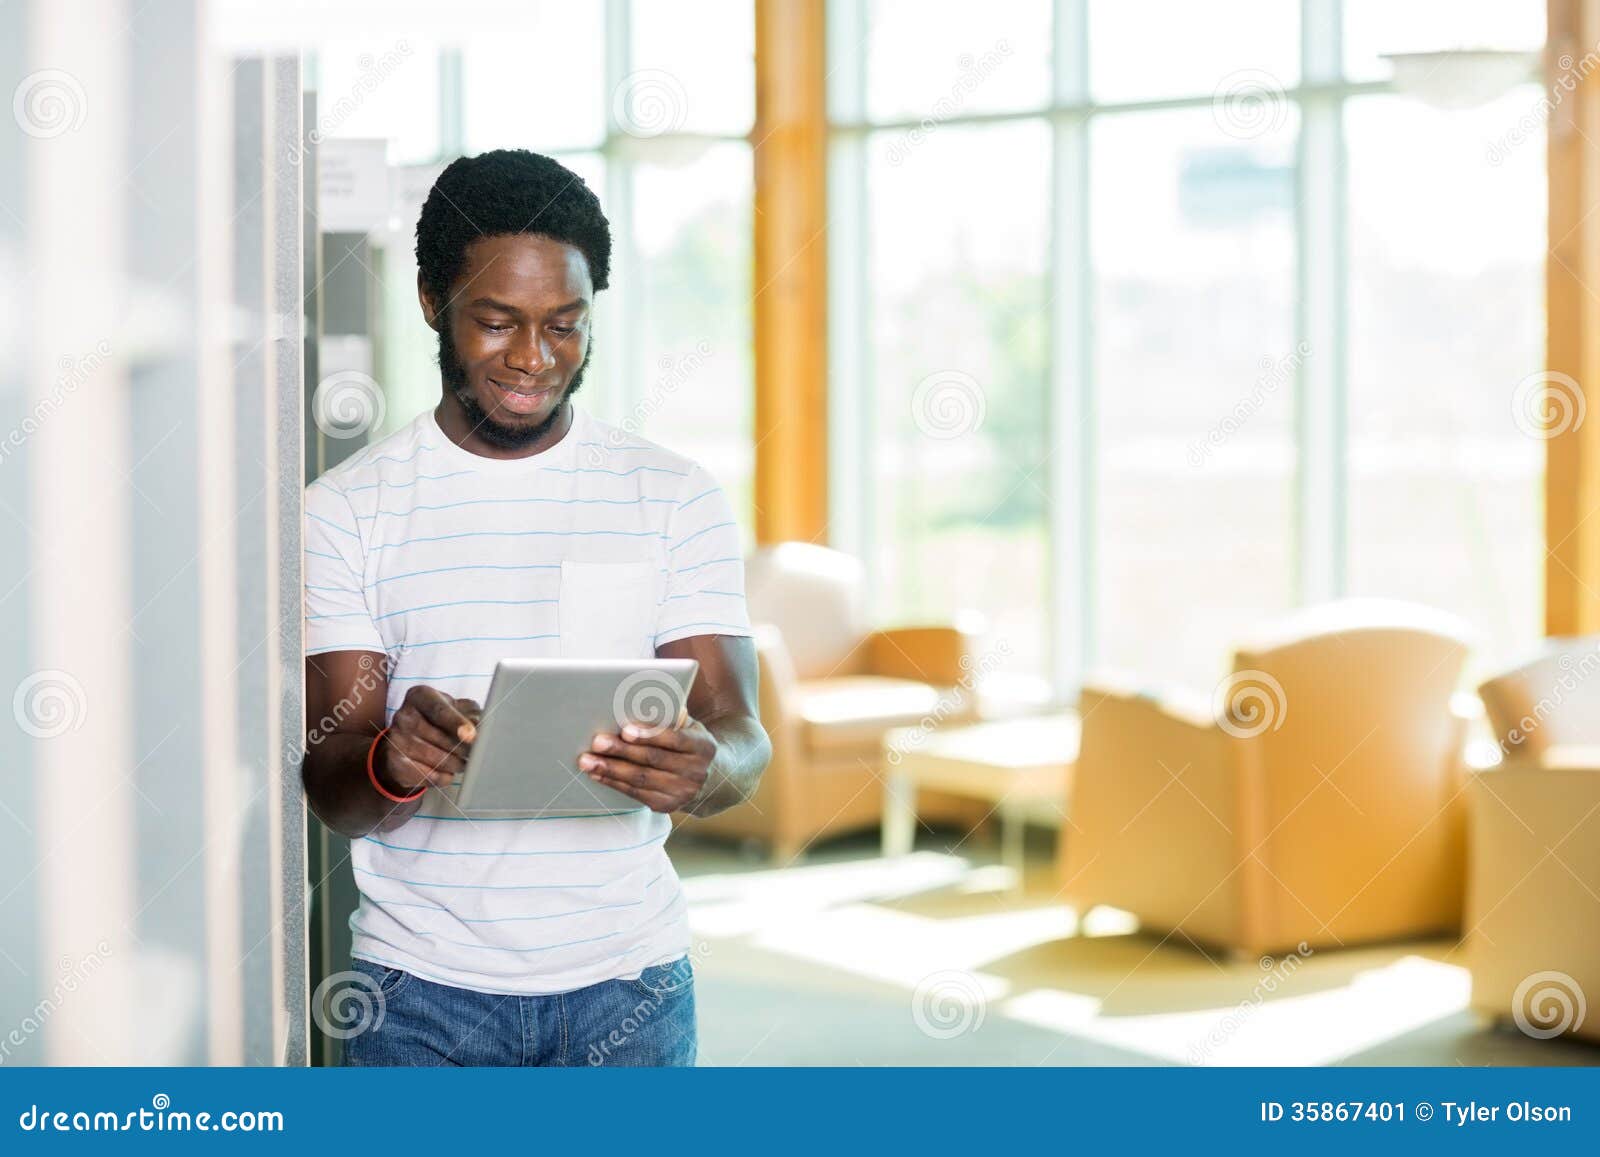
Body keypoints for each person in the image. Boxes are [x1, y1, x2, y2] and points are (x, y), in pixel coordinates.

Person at [300, 148, 770, 1067]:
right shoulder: (345, 511)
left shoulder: (674, 495)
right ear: (434, 302)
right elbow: (333, 789)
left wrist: (707, 766)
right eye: (497, 321)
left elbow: (741, 736)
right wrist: (394, 762)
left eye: (565, 324)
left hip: (631, 983)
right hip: (416, 997)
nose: (532, 357)